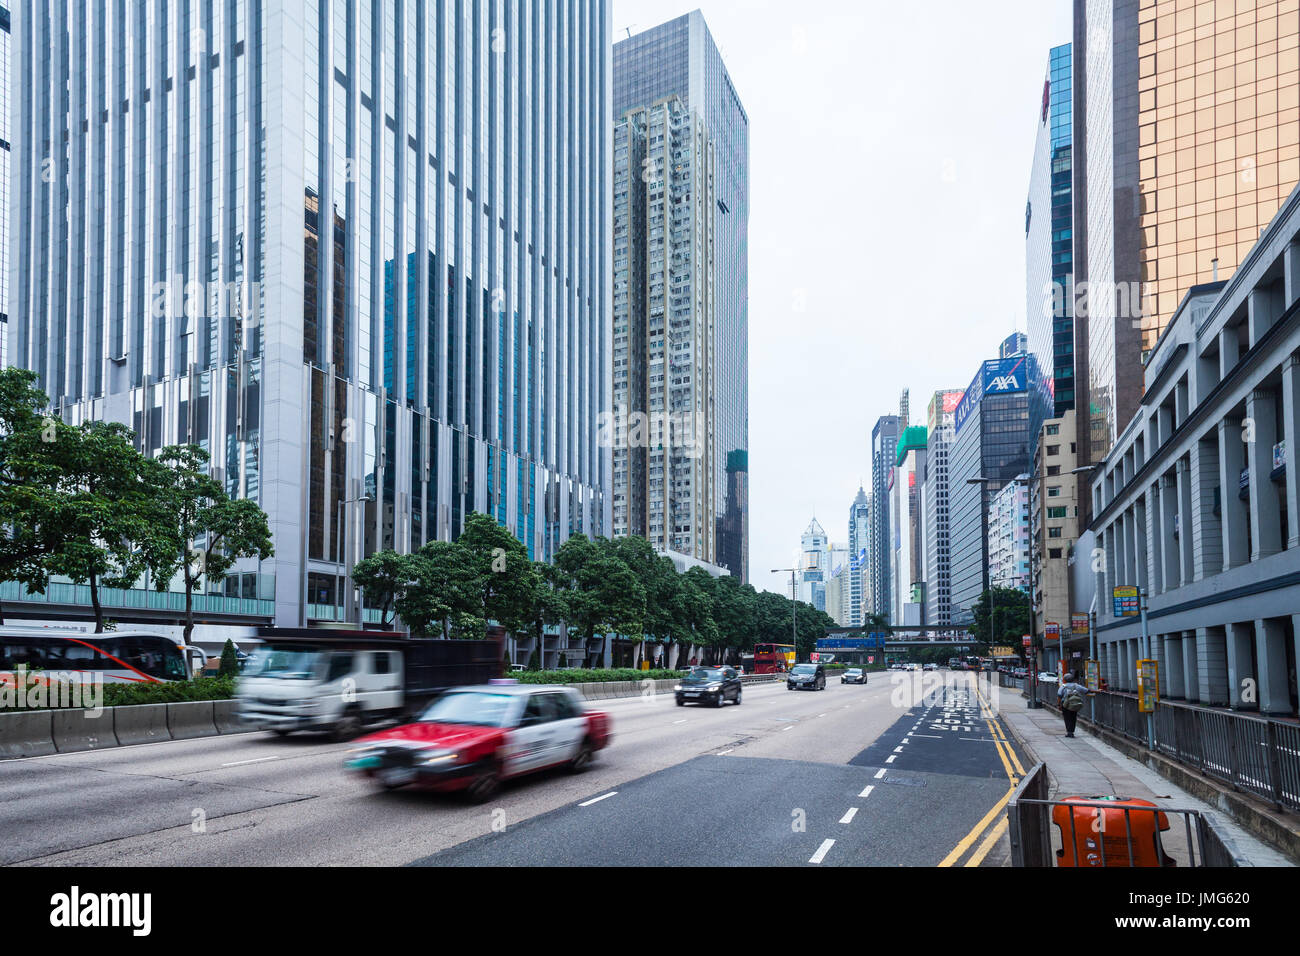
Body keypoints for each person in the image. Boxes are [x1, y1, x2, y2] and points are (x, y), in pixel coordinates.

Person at [1057, 671, 1088, 738]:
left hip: (1065, 704)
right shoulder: (1076, 685)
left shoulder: (1063, 686)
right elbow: (1086, 690)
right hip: (1074, 703)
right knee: (1073, 717)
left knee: (1067, 718)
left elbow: (1059, 694)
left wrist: (1060, 702)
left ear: (1065, 679)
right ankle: (1072, 732)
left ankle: (1069, 732)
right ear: (1073, 679)